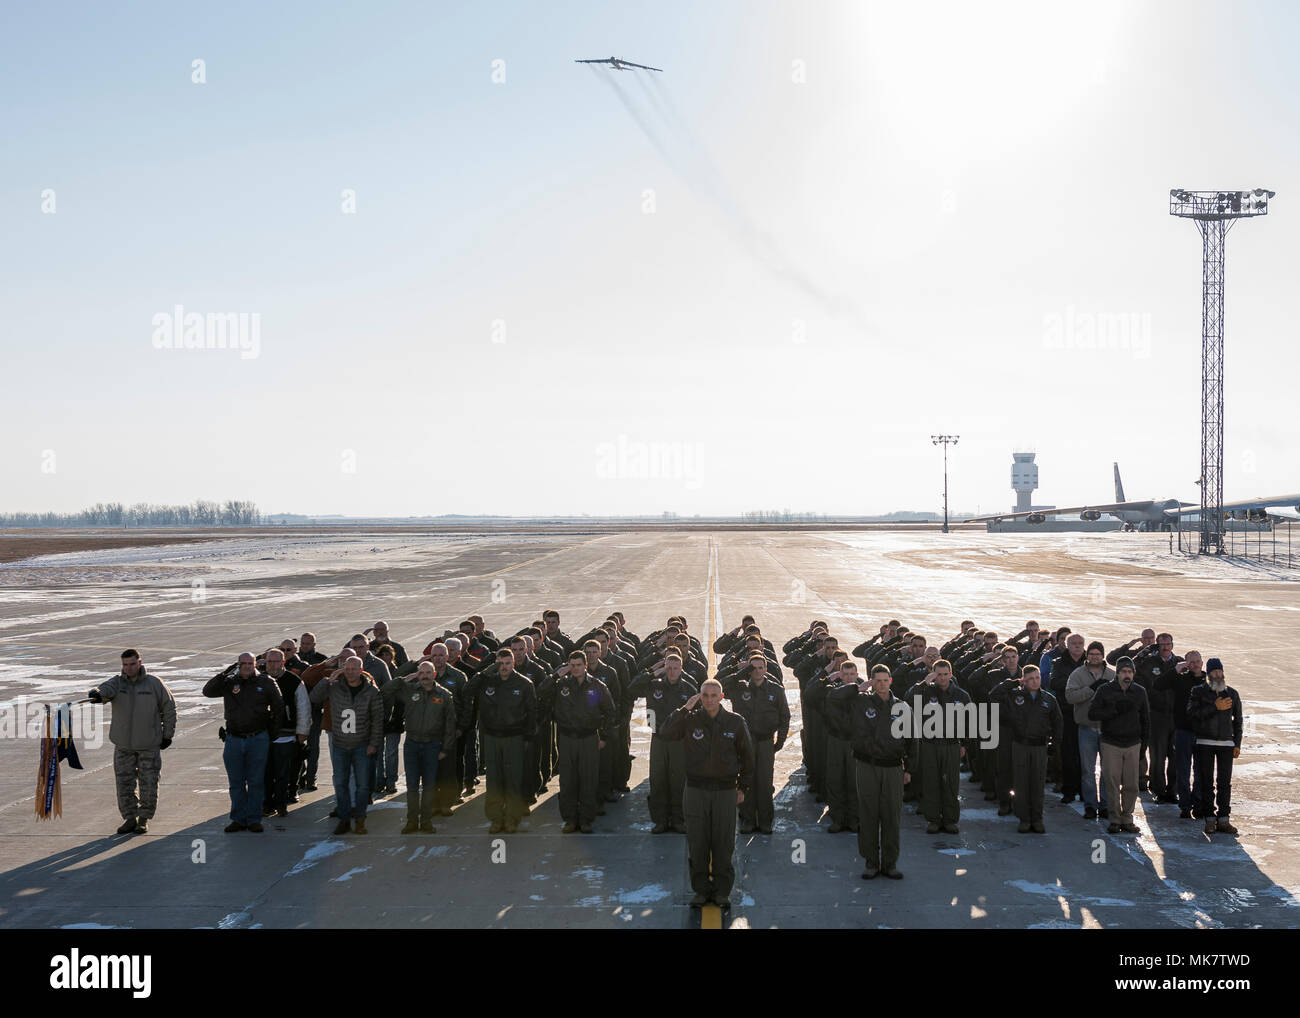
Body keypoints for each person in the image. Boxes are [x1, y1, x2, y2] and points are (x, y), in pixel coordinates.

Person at [661, 679, 754, 909]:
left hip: (725, 791)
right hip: (695, 789)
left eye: (714, 695)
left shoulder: (735, 722)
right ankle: (701, 890)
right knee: (697, 841)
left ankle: (722, 891)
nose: (709, 700)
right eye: (705, 695)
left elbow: (748, 759)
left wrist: (743, 788)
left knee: (723, 842)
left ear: (722, 697)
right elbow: (665, 732)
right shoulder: (690, 720)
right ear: (699, 697)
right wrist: (684, 709)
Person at [88, 649, 177, 835]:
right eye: (125, 665)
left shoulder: (154, 683)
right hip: (124, 746)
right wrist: (96, 694)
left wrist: (167, 735)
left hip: (148, 745)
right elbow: (104, 690)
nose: (128, 668)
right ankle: (129, 818)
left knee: (149, 783)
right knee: (124, 784)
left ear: (140, 663)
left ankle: (143, 819)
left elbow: (169, 707)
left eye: (132, 664)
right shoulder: (117, 683)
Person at [836, 664, 909, 879]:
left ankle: (890, 863)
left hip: (893, 768)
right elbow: (833, 700)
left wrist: (910, 769)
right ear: (871, 681)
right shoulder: (860, 702)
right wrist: (857, 688)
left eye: (885, 680)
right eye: (877, 680)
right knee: (868, 815)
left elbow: (912, 740)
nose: (881, 684)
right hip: (867, 766)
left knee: (891, 817)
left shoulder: (902, 707)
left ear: (891, 681)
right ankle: (871, 861)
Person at [203, 652, 284, 833]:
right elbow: (207, 691)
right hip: (234, 739)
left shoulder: (266, 682)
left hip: (257, 738)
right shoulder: (229, 682)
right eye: (243, 663)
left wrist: (271, 733)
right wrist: (226, 673)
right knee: (236, 782)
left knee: (256, 782)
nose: (247, 666)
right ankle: (238, 819)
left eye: (250, 663)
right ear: (238, 664)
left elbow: (279, 707)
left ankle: (254, 819)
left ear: (256, 664)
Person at [309, 655, 384, 835]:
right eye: (347, 669)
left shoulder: (371, 691)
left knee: (362, 785)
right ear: (343, 669)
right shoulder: (334, 687)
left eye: (354, 669)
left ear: (361, 669)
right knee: (341, 784)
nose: (350, 672)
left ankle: (360, 819)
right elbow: (314, 697)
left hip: (361, 745)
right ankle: (343, 819)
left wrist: (373, 744)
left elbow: (378, 719)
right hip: (340, 745)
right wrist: (327, 680)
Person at [626, 651, 698, 833]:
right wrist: (652, 672)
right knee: (658, 780)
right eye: (668, 668)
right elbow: (632, 688)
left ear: (681, 669)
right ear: (664, 668)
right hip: (658, 739)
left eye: (675, 668)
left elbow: (696, 716)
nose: (672, 672)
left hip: (678, 741)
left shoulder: (689, 688)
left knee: (678, 781)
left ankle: (678, 819)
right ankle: (660, 820)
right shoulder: (653, 685)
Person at [381, 661, 457, 834]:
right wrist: (402, 680)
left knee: (429, 786)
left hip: (432, 745)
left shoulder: (445, 696)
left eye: (428, 672)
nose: (425, 676)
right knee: (412, 786)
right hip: (412, 744)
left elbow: (450, 725)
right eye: (421, 673)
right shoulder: (410, 690)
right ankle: (412, 822)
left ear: (434, 674)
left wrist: (445, 749)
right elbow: (385, 691)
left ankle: (427, 822)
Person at [473, 647, 538, 834]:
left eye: (507, 663)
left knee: (513, 780)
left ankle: (512, 819)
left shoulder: (524, 684)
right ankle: (496, 819)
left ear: (514, 663)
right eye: (500, 663)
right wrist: (485, 672)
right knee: (493, 781)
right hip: (492, 737)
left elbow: (532, 712)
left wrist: (528, 738)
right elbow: (468, 691)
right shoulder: (488, 682)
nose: (504, 667)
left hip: (514, 738)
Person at [552, 650, 616, 833]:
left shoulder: (595, 687)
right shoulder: (561, 684)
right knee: (567, 781)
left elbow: (609, 712)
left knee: (588, 780)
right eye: (572, 665)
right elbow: (542, 692)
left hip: (588, 738)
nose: (575, 668)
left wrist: (603, 737)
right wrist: (555, 675)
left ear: (585, 665)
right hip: (567, 738)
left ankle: (586, 819)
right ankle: (570, 819)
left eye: (579, 665)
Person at [905, 660, 970, 834]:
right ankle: (933, 819)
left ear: (950, 674)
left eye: (945, 674)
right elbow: (908, 698)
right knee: (931, 783)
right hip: (930, 744)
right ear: (933, 675)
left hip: (951, 745)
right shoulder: (925, 692)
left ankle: (949, 820)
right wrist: (924, 682)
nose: (942, 678)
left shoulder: (961, 695)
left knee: (950, 783)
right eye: (938, 674)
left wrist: (964, 745)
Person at [729, 653, 790, 835]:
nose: (757, 671)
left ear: (766, 669)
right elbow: (721, 682)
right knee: (746, 780)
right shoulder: (739, 688)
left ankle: (765, 820)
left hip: (765, 742)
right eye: (752, 668)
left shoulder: (776, 690)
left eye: (760, 667)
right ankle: (748, 820)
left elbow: (784, 716)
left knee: (764, 782)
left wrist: (780, 741)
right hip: (745, 742)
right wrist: (741, 672)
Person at [1088, 657, 1150, 834]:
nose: (1127, 675)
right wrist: (1113, 710)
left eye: (1130, 672)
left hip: (1132, 743)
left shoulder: (1139, 692)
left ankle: (1127, 818)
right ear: (1117, 673)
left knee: (1131, 784)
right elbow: (1093, 713)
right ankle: (1114, 819)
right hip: (1111, 742)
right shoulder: (1105, 690)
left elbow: (1146, 720)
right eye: (1124, 671)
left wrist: (1143, 747)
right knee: (1112, 782)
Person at [1187, 658, 1243, 836]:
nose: (1217, 674)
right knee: (1206, 782)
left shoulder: (1232, 694)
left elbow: (1238, 721)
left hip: (1226, 744)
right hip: (1205, 743)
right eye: (1214, 672)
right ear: (1208, 673)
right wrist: (1214, 707)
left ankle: (1224, 819)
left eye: (1219, 671)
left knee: (1224, 783)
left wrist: (1237, 743)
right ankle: (1209, 819)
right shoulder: (1198, 692)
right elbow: (1191, 714)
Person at [1005, 665, 1062, 833]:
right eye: (1030, 678)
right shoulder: (1015, 696)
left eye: (1037, 677)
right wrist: (1013, 683)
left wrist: (1055, 745)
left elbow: (1058, 723)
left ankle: (1037, 819)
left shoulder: (1049, 699)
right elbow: (994, 694)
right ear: (1024, 680)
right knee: (1021, 784)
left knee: (1037, 784)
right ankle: (1024, 819)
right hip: (1020, 745)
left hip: (1039, 746)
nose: (1035, 681)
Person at [1155, 649, 1207, 818]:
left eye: (1197, 661)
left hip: (1203, 733)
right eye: (1191, 662)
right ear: (1186, 664)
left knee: (1201, 771)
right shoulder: (1180, 680)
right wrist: (1175, 670)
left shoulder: (1209, 682)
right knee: (1182, 770)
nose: (1195, 664)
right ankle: (1185, 804)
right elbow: (1158, 685)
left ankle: (1198, 803)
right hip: (1183, 731)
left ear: (1202, 662)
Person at [1065, 641, 1112, 820]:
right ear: (1087, 655)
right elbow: (1070, 697)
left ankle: (1106, 805)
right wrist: (1090, 690)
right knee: (1087, 769)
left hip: (1107, 730)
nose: (1094, 657)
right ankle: (1090, 805)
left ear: (1103, 656)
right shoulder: (1077, 674)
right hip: (1086, 728)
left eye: (1098, 654)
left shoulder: (1111, 674)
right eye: (1091, 654)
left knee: (1108, 770)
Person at [263, 648, 309, 818]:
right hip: (263, 736)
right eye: (270, 661)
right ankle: (267, 803)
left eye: (276, 661)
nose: (273, 665)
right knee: (266, 774)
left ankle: (282, 804)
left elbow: (303, 707)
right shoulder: (259, 680)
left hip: (286, 736)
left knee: (283, 774)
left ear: (283, 662)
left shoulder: (293, 681)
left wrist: (302, 732)